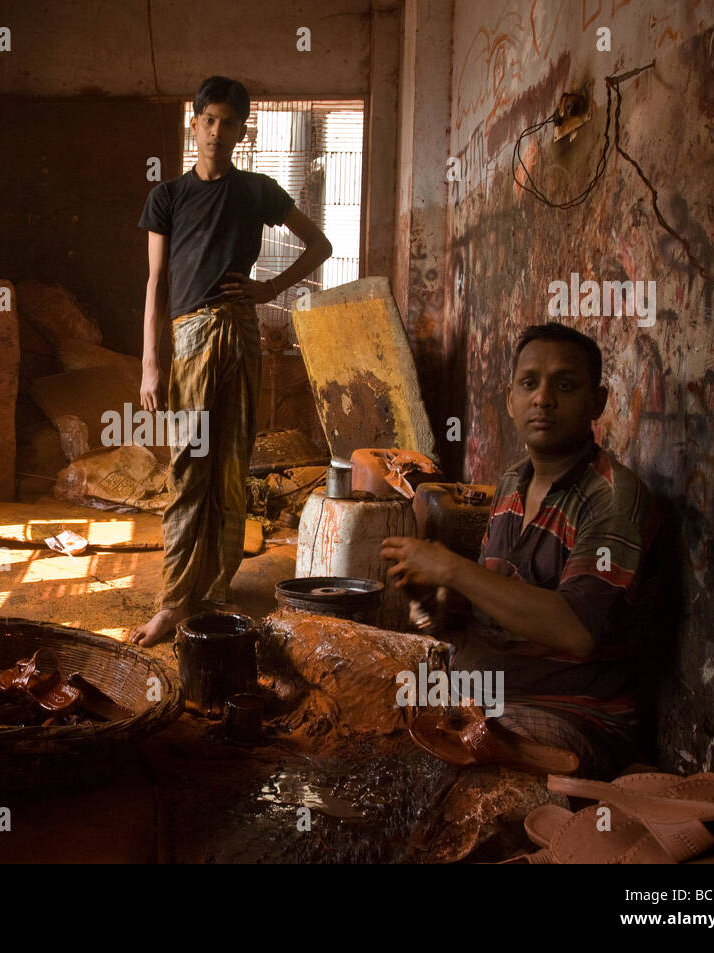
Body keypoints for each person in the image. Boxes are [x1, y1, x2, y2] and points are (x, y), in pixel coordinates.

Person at [381, 322, 659, 777]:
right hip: (485, 685)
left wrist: (450, 568)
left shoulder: (612, 498)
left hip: (571, 712)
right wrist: (430, 600)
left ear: (598, 402)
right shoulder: (513, 481)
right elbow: (488, 611)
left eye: (565, 385)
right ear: (510, 398)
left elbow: (578, 631)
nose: (543, 398)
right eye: (529, 383)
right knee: (362, 709)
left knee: (457, 767)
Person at [128, 76, 332, 647]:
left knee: (232, 466)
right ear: (195, 124)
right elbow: (155, 282)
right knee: (188, 469)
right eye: (209, 120)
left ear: (244, 130)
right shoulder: (167, 197)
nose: (218, 131)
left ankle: (215, 589)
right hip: (189, 339)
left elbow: (320, 247)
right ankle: (174, 602)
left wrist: (270, 291)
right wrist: (151, 363)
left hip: (240, 334)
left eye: (229, 122)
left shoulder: (258, 190)